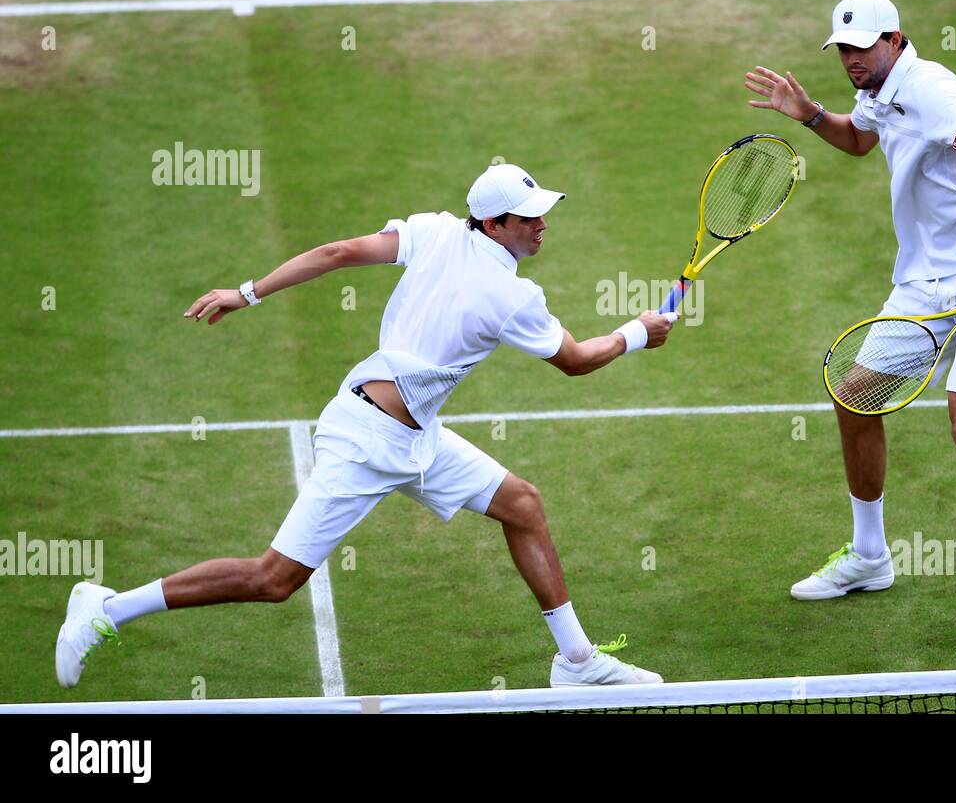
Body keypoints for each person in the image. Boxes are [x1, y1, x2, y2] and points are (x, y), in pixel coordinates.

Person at [55, 163, 674, 688]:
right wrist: (636, 334)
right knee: (273, 580)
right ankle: (106, 607)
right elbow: (575, 361)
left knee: (523, 505)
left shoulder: (433, 231)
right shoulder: (512, 299)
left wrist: (248, 292)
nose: (542, 225)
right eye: (528, 217)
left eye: (542, 213)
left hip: (415, 437)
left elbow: (337, 253)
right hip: (364, 443)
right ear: (493, 224)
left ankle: (577, 662)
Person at [744, 0, 956, 648]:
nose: (851, 60)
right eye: (843, 50)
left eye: (862, 48)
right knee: (855, 399)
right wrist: (812, 116)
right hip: (922, 283)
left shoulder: (933, 89)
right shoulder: (878, 91)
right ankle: (870, 557)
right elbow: (860, 139)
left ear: (896, 40)